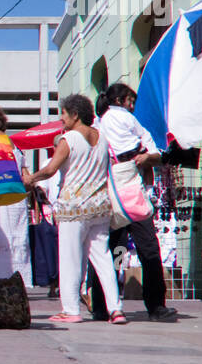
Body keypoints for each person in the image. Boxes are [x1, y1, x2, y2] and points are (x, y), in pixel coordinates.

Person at [23, 94, 127, 324]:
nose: (61, 119)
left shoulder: (68, 139)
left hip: (73, 208)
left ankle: (70, 310)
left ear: (75, 114)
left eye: (63, 114)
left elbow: (50, 169)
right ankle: (116, 309)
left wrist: (31, 178)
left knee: (70, 259)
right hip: (99, 206)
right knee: (103, 258)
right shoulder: (102, 138)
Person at [90, 83, 178, 322]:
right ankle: (155, 306)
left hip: (112, 193)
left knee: (112, 251)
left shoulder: (99, 124)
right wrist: (146, 156)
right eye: (131, 100)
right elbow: (155, 153)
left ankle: (101, 305)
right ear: (121, 100)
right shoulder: (125, 120)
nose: (132, 105)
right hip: (132, 193)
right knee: (148, 248)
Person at [0, 103, 33, 289]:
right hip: (16, 200)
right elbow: (27, 178)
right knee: (16, 243)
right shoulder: (14, 145)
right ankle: (16, 285)